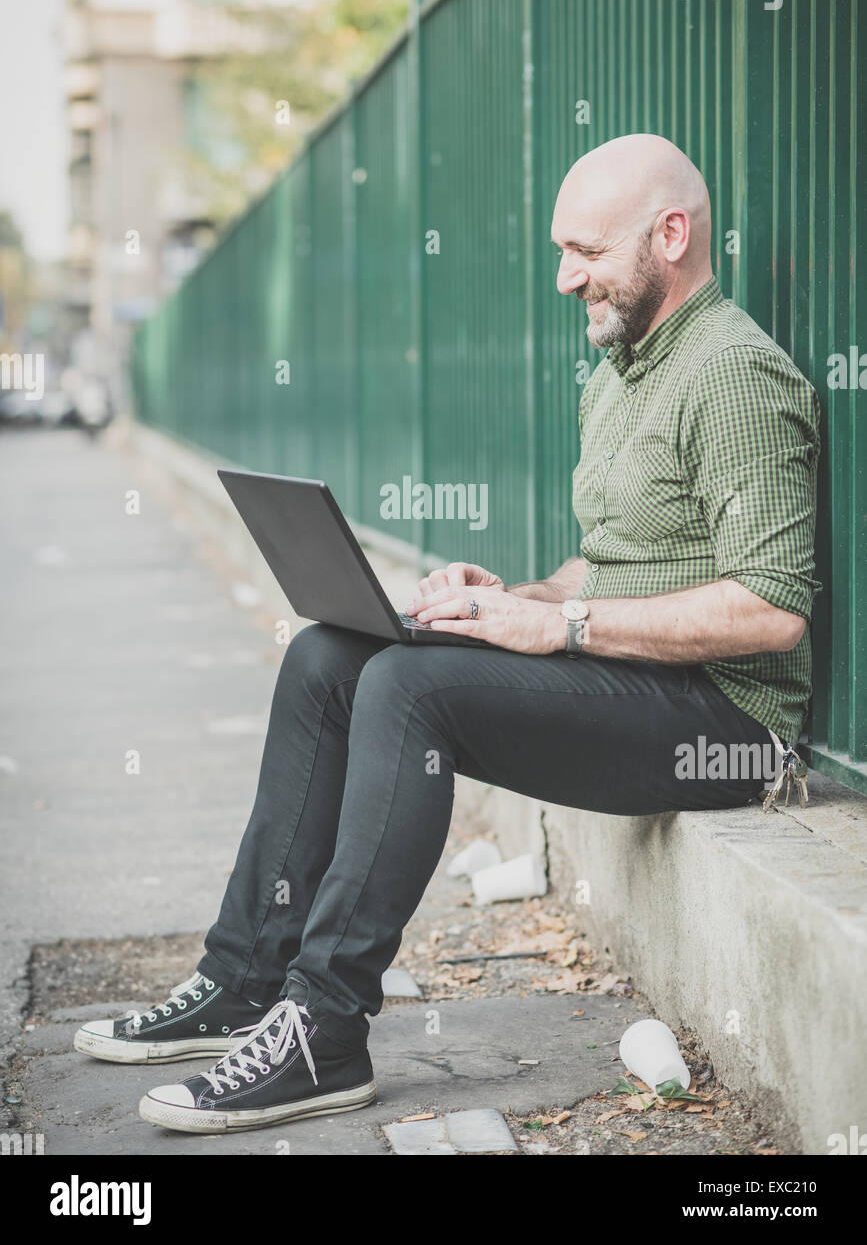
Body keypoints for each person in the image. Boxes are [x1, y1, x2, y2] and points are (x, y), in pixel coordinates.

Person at [74, 133, 821, 1135]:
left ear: (671, 234)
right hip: (633, 678)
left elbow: (769, 607)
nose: (567, 277)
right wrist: (503, 596)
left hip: (726, 721)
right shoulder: (622, 373)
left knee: (408, 689)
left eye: (586, 251)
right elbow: (614, 566)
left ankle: (324, 1028)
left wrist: (557, 624)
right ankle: (244, 980)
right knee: (331, 656)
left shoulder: (733, 374)